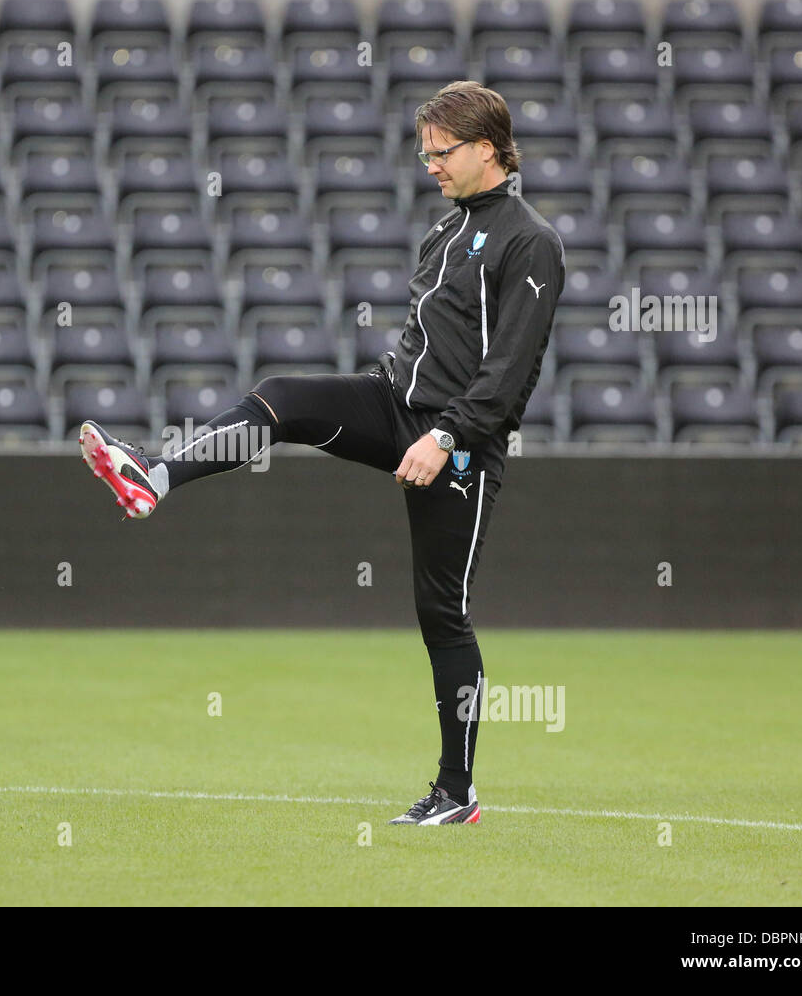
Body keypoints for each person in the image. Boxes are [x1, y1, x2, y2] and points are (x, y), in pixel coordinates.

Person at [78, 80, 565, 826]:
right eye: (424, 150)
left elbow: (510, 371)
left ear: (489, 148)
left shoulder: (529, 240)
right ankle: (156, 474)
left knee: (442, 611)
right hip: (395, 404)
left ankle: (457, 791)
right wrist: (394, 404)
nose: (429, 163)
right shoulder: (447, 230)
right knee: (286, 397)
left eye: (441, 151)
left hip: (459, 443)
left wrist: (447, 437)